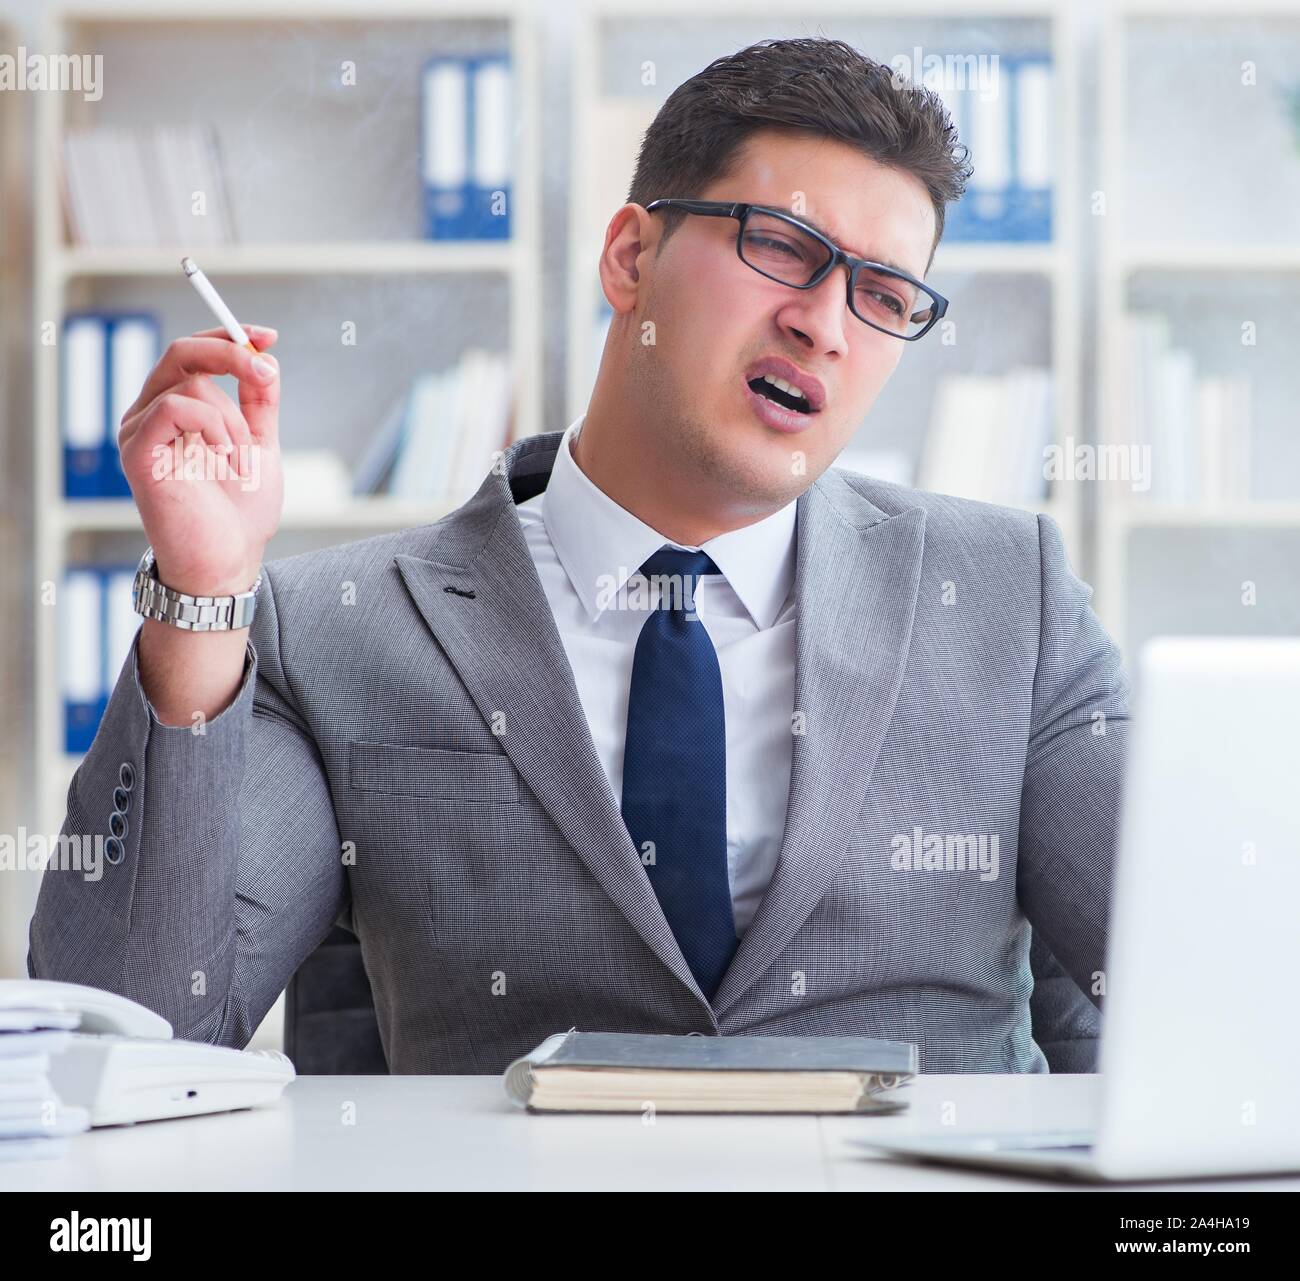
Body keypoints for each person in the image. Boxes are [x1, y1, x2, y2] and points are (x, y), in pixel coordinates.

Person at [29, 37, 1125, 1074]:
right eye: (783, 247)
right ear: (629, 257)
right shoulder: (336, 627)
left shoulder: (1006, 600)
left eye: (883, 295)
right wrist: (203, 598)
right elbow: (135, 1033)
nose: (823, 325)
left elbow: (1189, 980)